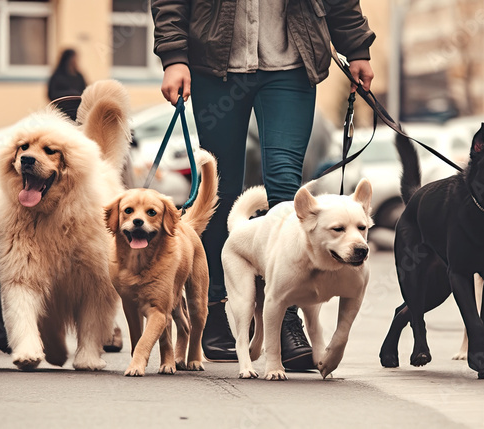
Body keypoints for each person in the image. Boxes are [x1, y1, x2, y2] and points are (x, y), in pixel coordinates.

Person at [152, 0, 376, 369]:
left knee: (287, 188)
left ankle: (284, 313)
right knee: (219, 191)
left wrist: (357, 48)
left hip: (291, 65)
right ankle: (214, 308)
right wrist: (174, 56)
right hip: (214, 64)